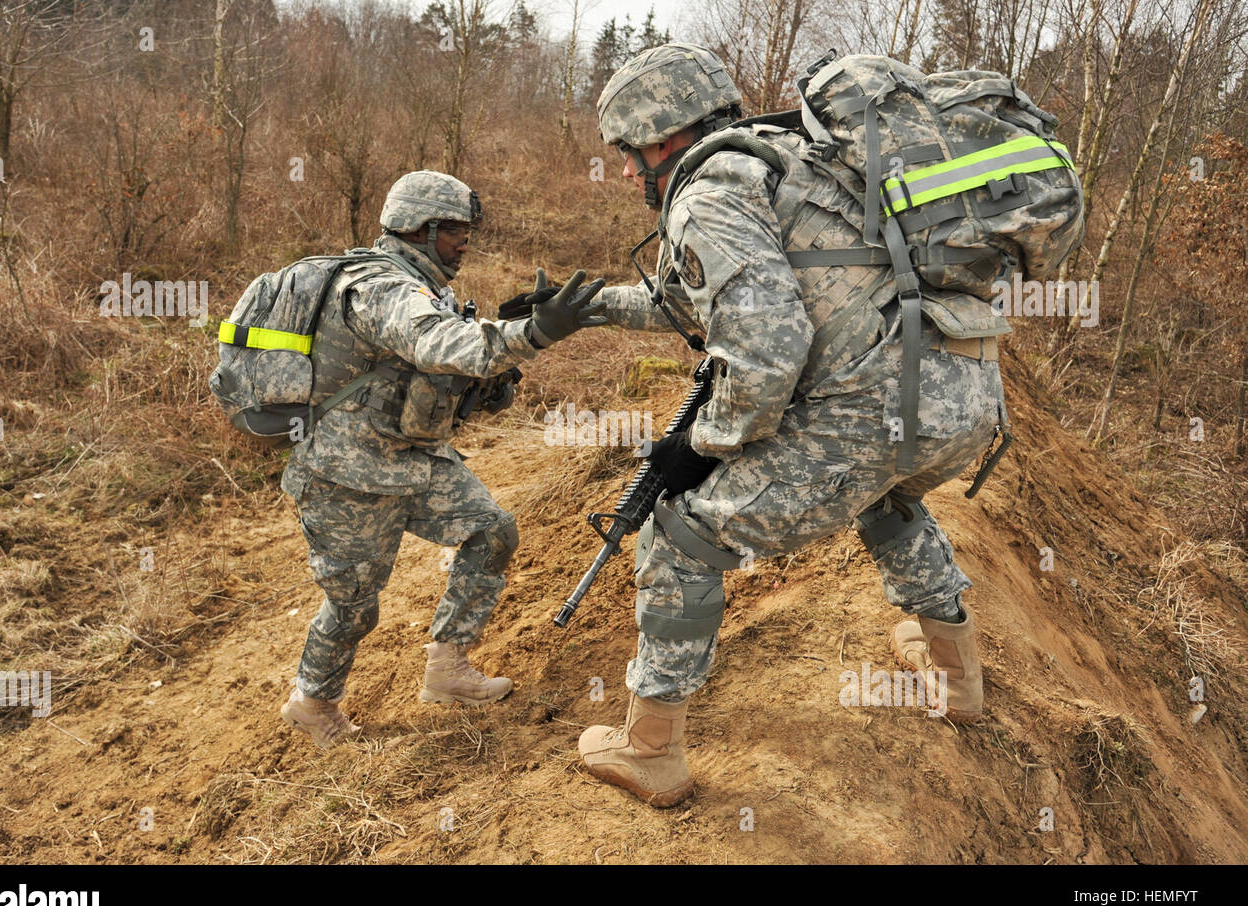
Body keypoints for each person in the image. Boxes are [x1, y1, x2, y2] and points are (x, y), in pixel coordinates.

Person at [578, 44, 1007, 806]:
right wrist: (591, 307)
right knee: (884, 496)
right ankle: (954, 674)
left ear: (654, 138)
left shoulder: (706, 194)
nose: (629, 171)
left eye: (628, 153)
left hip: (873, 413)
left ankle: (651, 751)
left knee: (679, 535)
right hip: (964, 396)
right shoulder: (793, 158)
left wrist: (703, 446)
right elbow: (708, 300)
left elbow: (769, 350)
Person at [279, 170, 605, 748]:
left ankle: (447, 667)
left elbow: (446, 380)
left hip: (414, 458)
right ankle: (314, 700)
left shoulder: (424, 286)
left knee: (492, 532)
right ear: (420, 230)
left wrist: (498, 359)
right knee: (354, 605)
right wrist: (533, 332)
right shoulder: (380, 288)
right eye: (454, 230)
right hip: (347, 474)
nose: (464, 243)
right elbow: (443, 345)